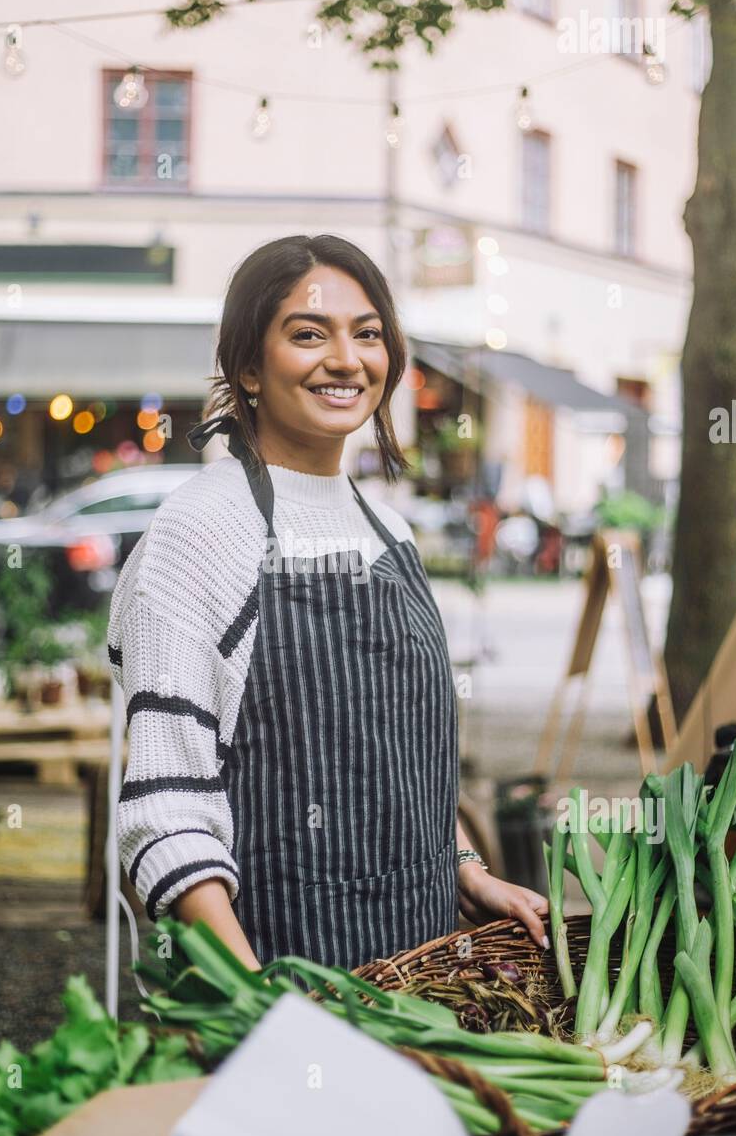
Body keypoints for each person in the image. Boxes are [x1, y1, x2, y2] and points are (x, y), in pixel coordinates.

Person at [108, 234, 548, 972]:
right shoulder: (200, 532)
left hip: (425, 990)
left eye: (367, 333)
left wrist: (464, 868)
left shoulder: (390, 531)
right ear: (248, 365)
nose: (346, 359)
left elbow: (404, 772)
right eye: (309, 334)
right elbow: (167, 808)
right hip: (282, 985)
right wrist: (257, 1008)